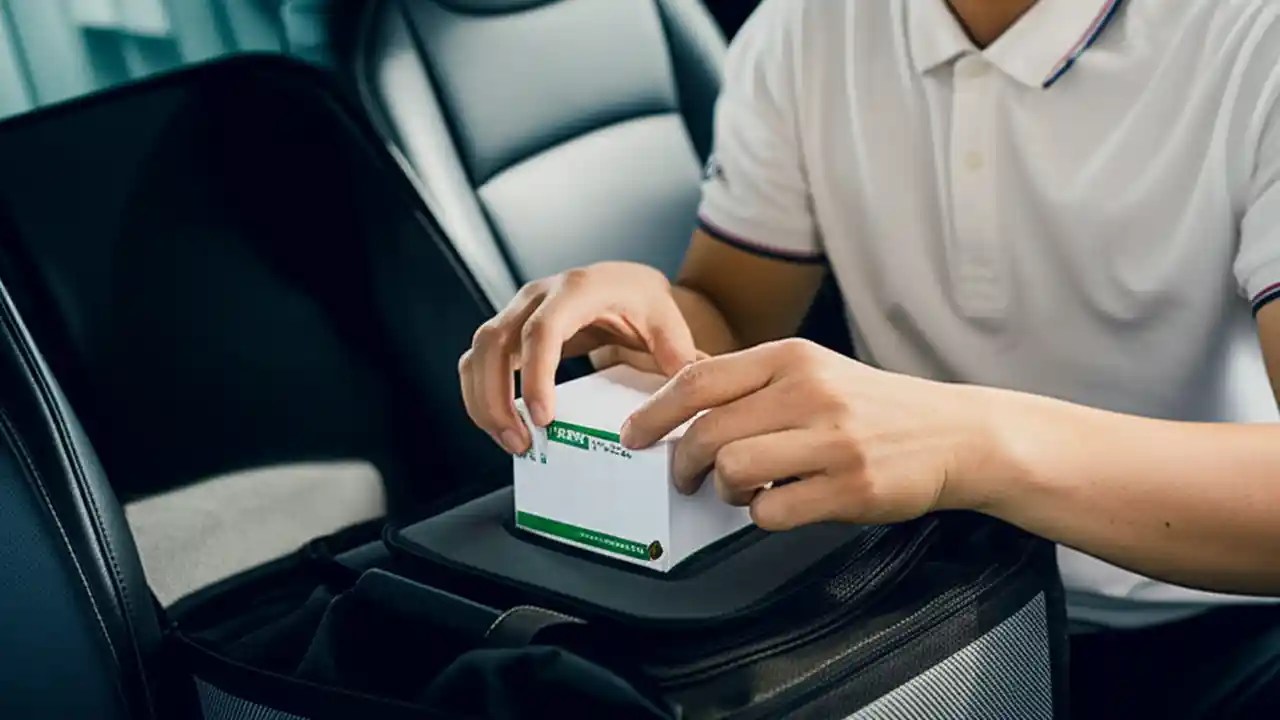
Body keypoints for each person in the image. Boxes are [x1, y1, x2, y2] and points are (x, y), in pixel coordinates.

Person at [458, 0, 1280, 715]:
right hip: (920, 603)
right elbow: (732, 314)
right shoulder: (805, 27)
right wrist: (649, 312)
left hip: (1220, 624)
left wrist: (968, 446)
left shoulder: (1255, 37)